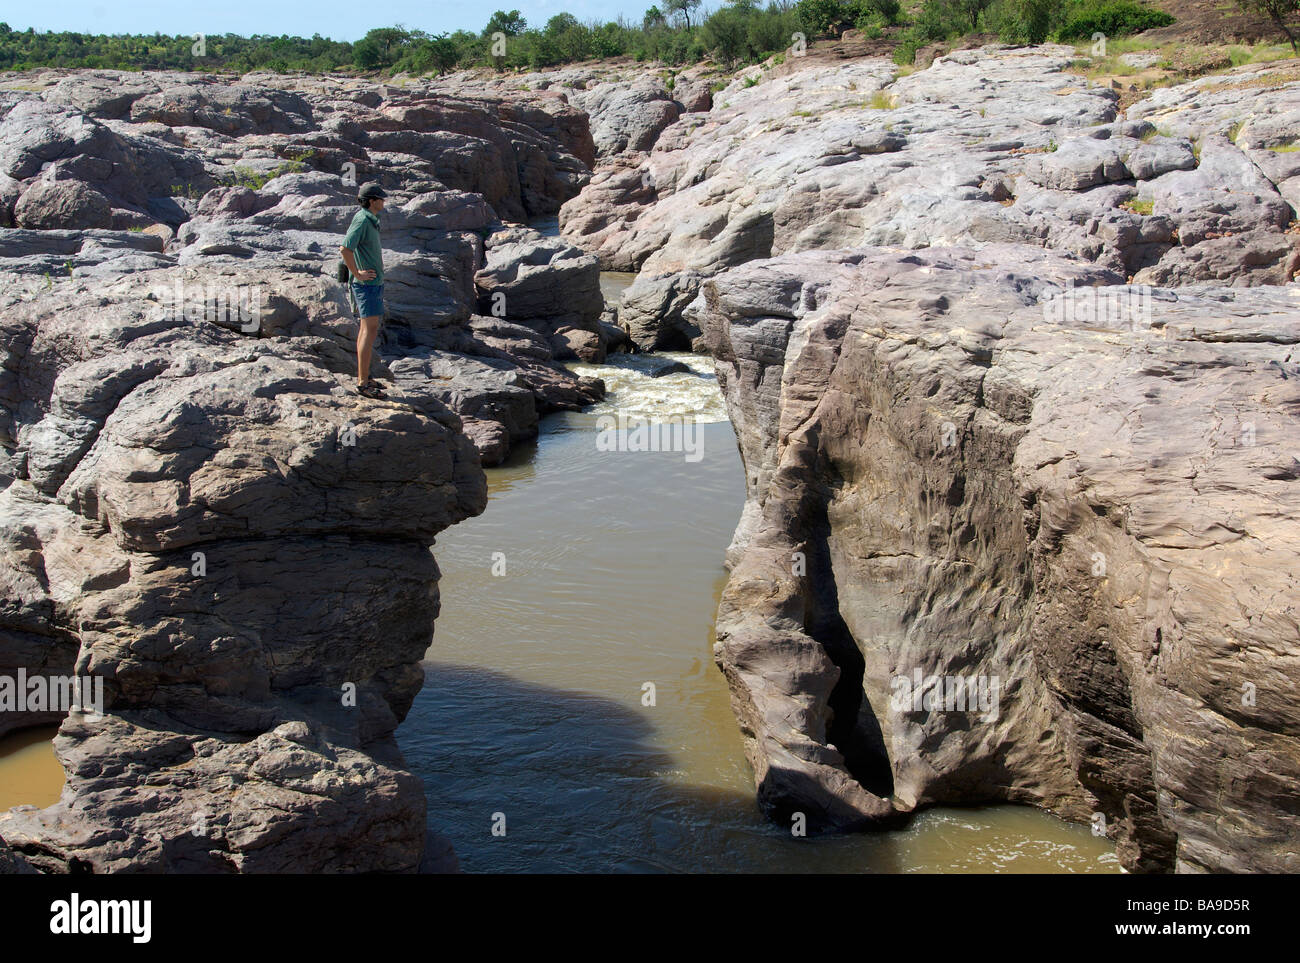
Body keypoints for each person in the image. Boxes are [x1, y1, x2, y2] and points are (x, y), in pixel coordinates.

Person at [340, 182, 388, 398]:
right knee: (369, 330)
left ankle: (365, 376)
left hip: (373, 284)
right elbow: (345, 248)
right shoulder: (361, 220)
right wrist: (357, 274)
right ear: (372, 201)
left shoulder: (371, 220)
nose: (384, 201)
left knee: (367, 329)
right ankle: (362, 383)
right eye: (381, 198)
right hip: (366, 285)